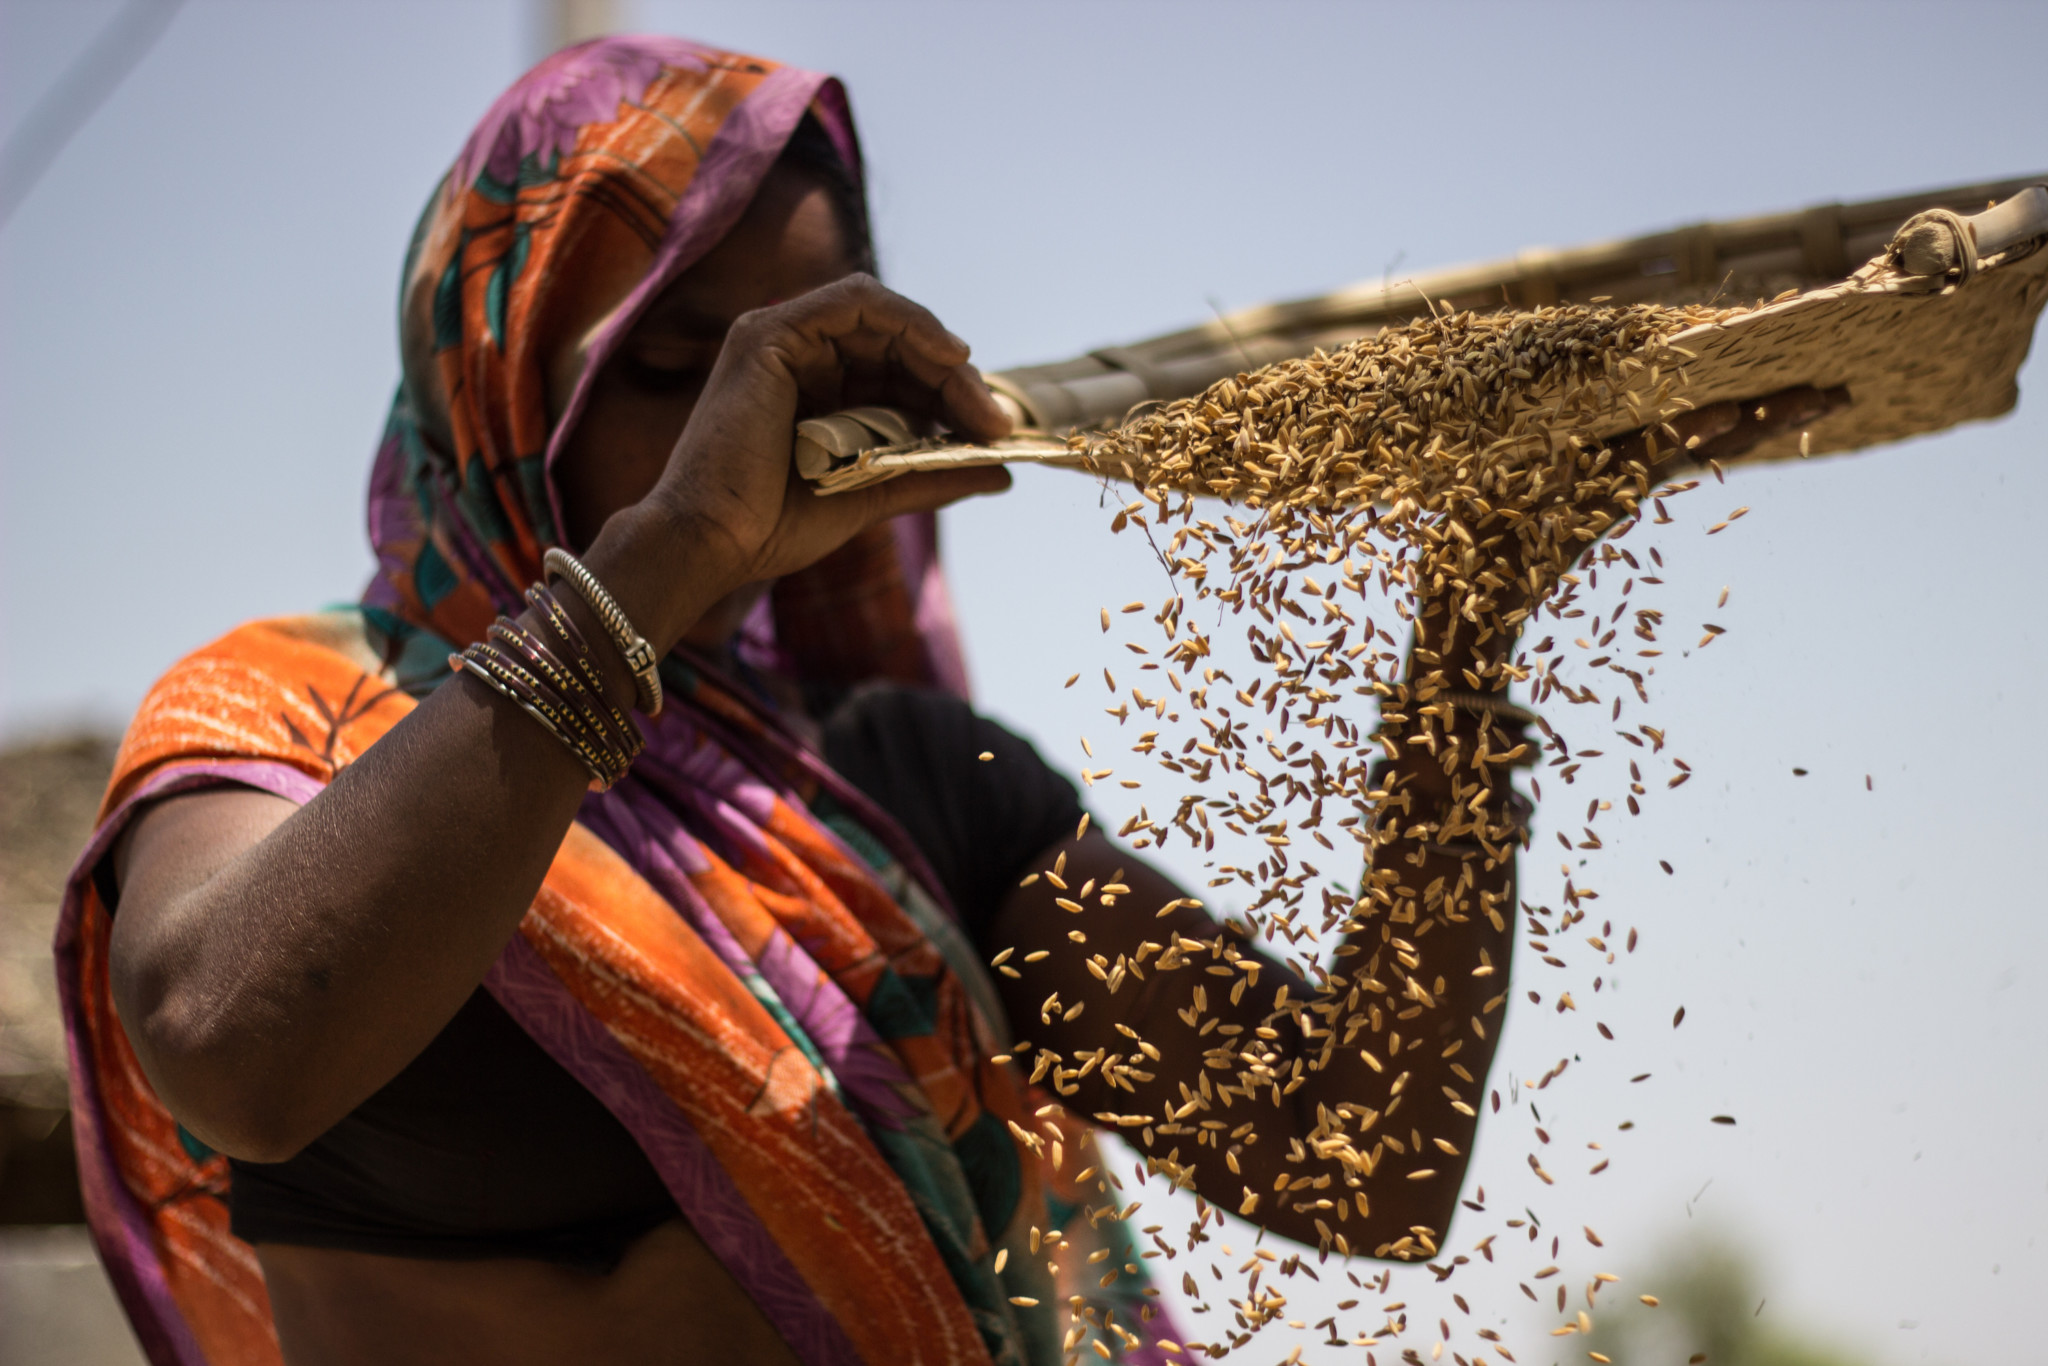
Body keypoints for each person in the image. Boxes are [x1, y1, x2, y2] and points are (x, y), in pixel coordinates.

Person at [56, 35, 1839, 1366]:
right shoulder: (298, 726)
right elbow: (237, 1043)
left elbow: (1354, 1150)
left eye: (782, 367)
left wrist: (1469, 627)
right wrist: (668, 559)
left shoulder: (887, 797)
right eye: (670, 371)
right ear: (496, 371)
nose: (737, 434)